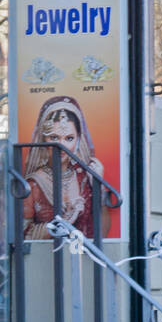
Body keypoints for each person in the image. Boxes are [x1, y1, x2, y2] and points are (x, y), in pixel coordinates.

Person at [23, 95, 107, 239]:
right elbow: (23, 234)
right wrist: (62, 224)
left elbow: (102, 233)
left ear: (78, 140)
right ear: (43, 139)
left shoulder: (84, 178)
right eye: (54, 138)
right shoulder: (33, 184)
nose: (61, 146)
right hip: (47, 258)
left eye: (69, 138)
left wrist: (99, 186)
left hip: (83, 256)